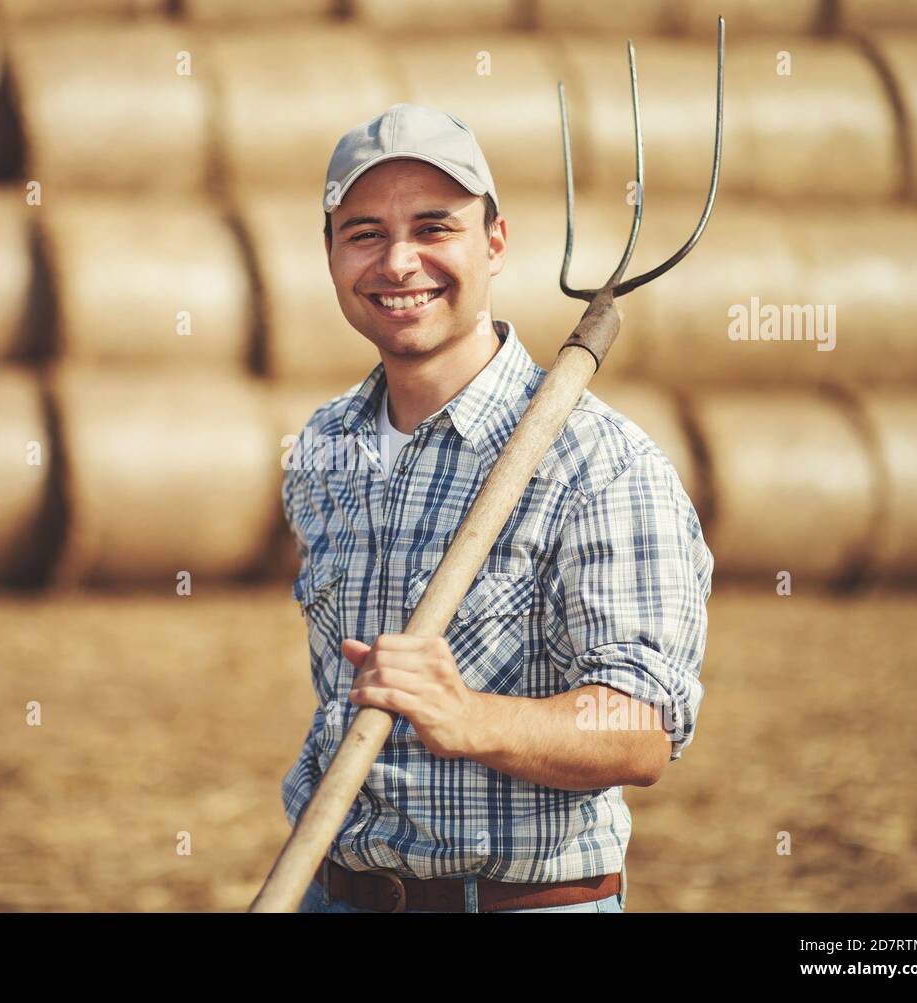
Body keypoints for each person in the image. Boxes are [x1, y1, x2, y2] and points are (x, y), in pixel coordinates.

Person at [281, 103, 713, 913]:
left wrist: (467, 716)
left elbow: (639, 731)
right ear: (332, 253)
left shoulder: (601, 464)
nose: (399, 261)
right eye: (365, 232)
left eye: (435, 227)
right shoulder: (325, 444)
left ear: (496, 243)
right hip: (329, 892)